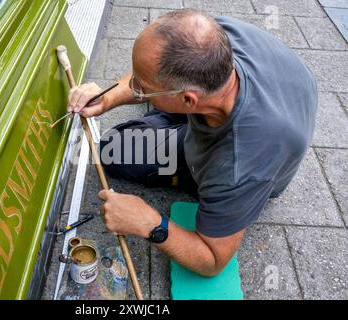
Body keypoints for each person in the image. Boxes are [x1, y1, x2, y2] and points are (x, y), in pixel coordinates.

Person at [67, 9, 317, 276]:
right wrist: (107, 98)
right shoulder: (209, 38)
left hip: (246, 159)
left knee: (114, 149)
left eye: (141, 86)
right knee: (146, 119)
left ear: (188, 101)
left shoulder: (236, 166)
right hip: (247, 105)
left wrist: (147, 222)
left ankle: (170, 116)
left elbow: (211, 261)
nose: (131, 86)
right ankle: (167, 106)